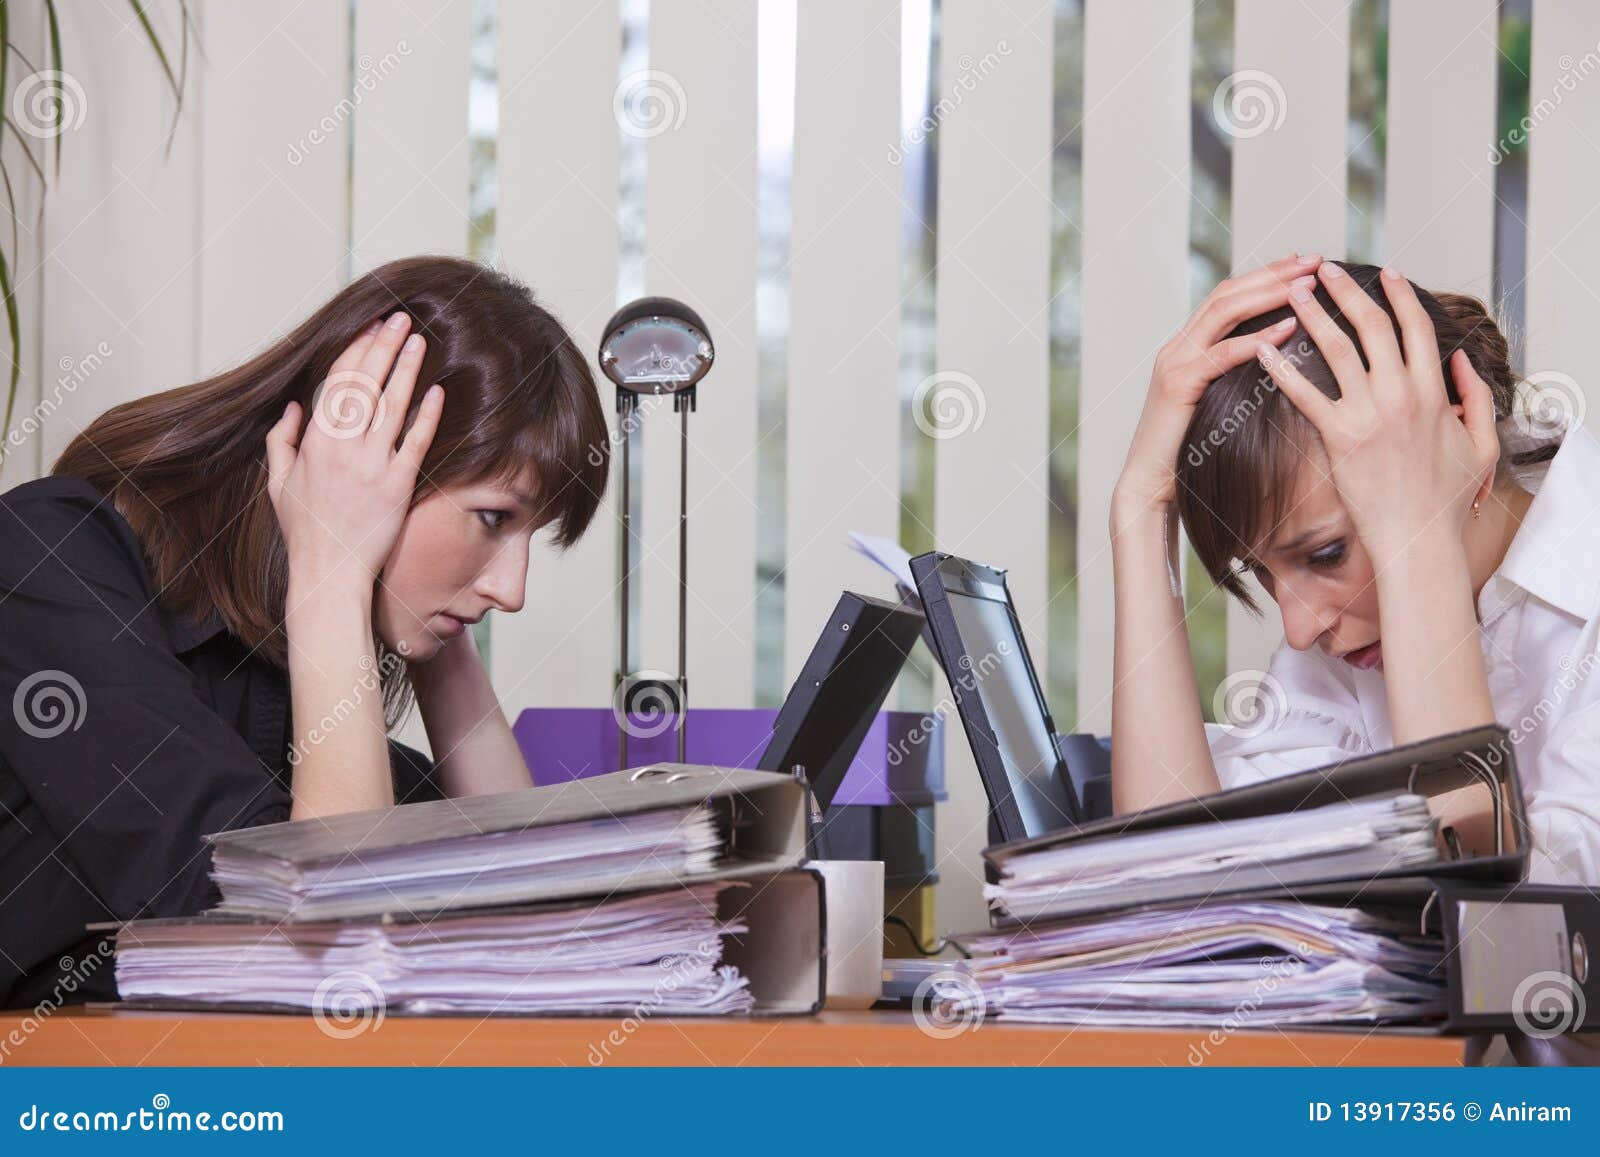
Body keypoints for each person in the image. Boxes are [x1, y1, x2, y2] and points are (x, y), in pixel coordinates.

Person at [0, 255, 611, 1009]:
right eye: (493, 519)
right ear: (362, 459)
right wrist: (334, 560)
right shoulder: (46, 560)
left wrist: (443, 650)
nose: (511, 590)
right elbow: (318, 954)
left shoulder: (298, 689)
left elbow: (532, 928)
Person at [1110, 254, 1599, 890]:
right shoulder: (1347, 653)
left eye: (1325, 555)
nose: (1299, 629)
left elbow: (1496, 926)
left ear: (1458, 449)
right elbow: (1174, 889)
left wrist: (1415, 535)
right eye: (1263, 572)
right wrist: (1139, 509)